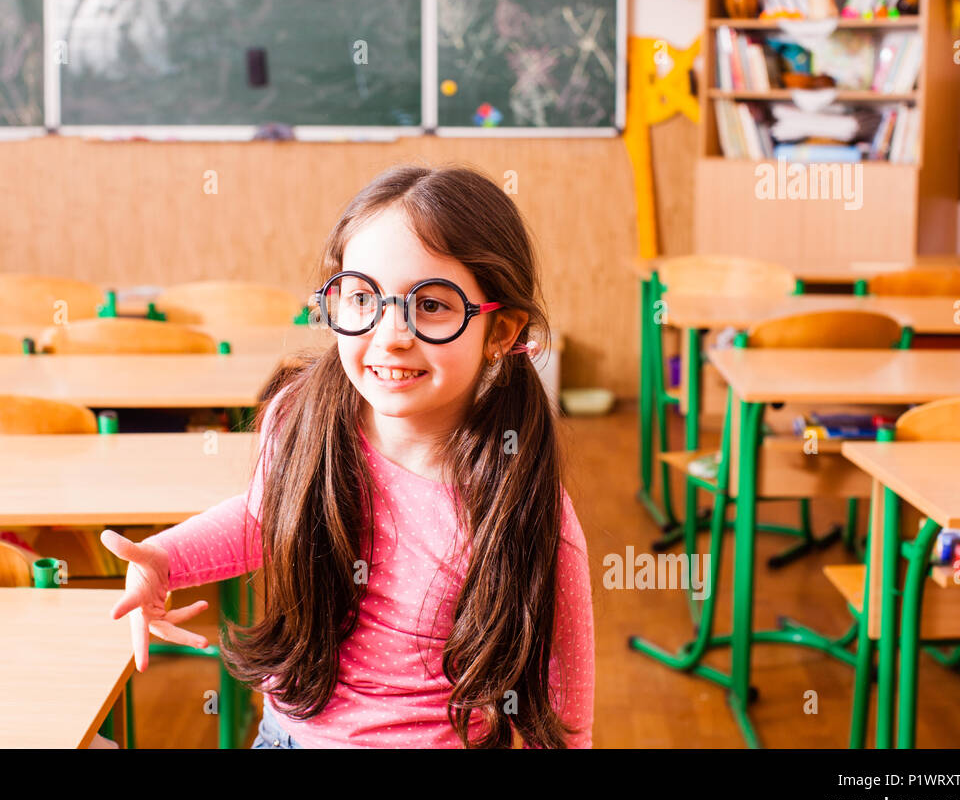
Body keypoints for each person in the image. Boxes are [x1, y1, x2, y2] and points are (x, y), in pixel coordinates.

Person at [102, 164, 594, 748]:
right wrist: (164, 558)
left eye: (432, 305)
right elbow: (265, 518)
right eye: (363, 298)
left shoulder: (525, 505)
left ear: (501, 331)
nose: (390, 334)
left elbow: (565, 705)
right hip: (286, 735)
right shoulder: (300, 419)